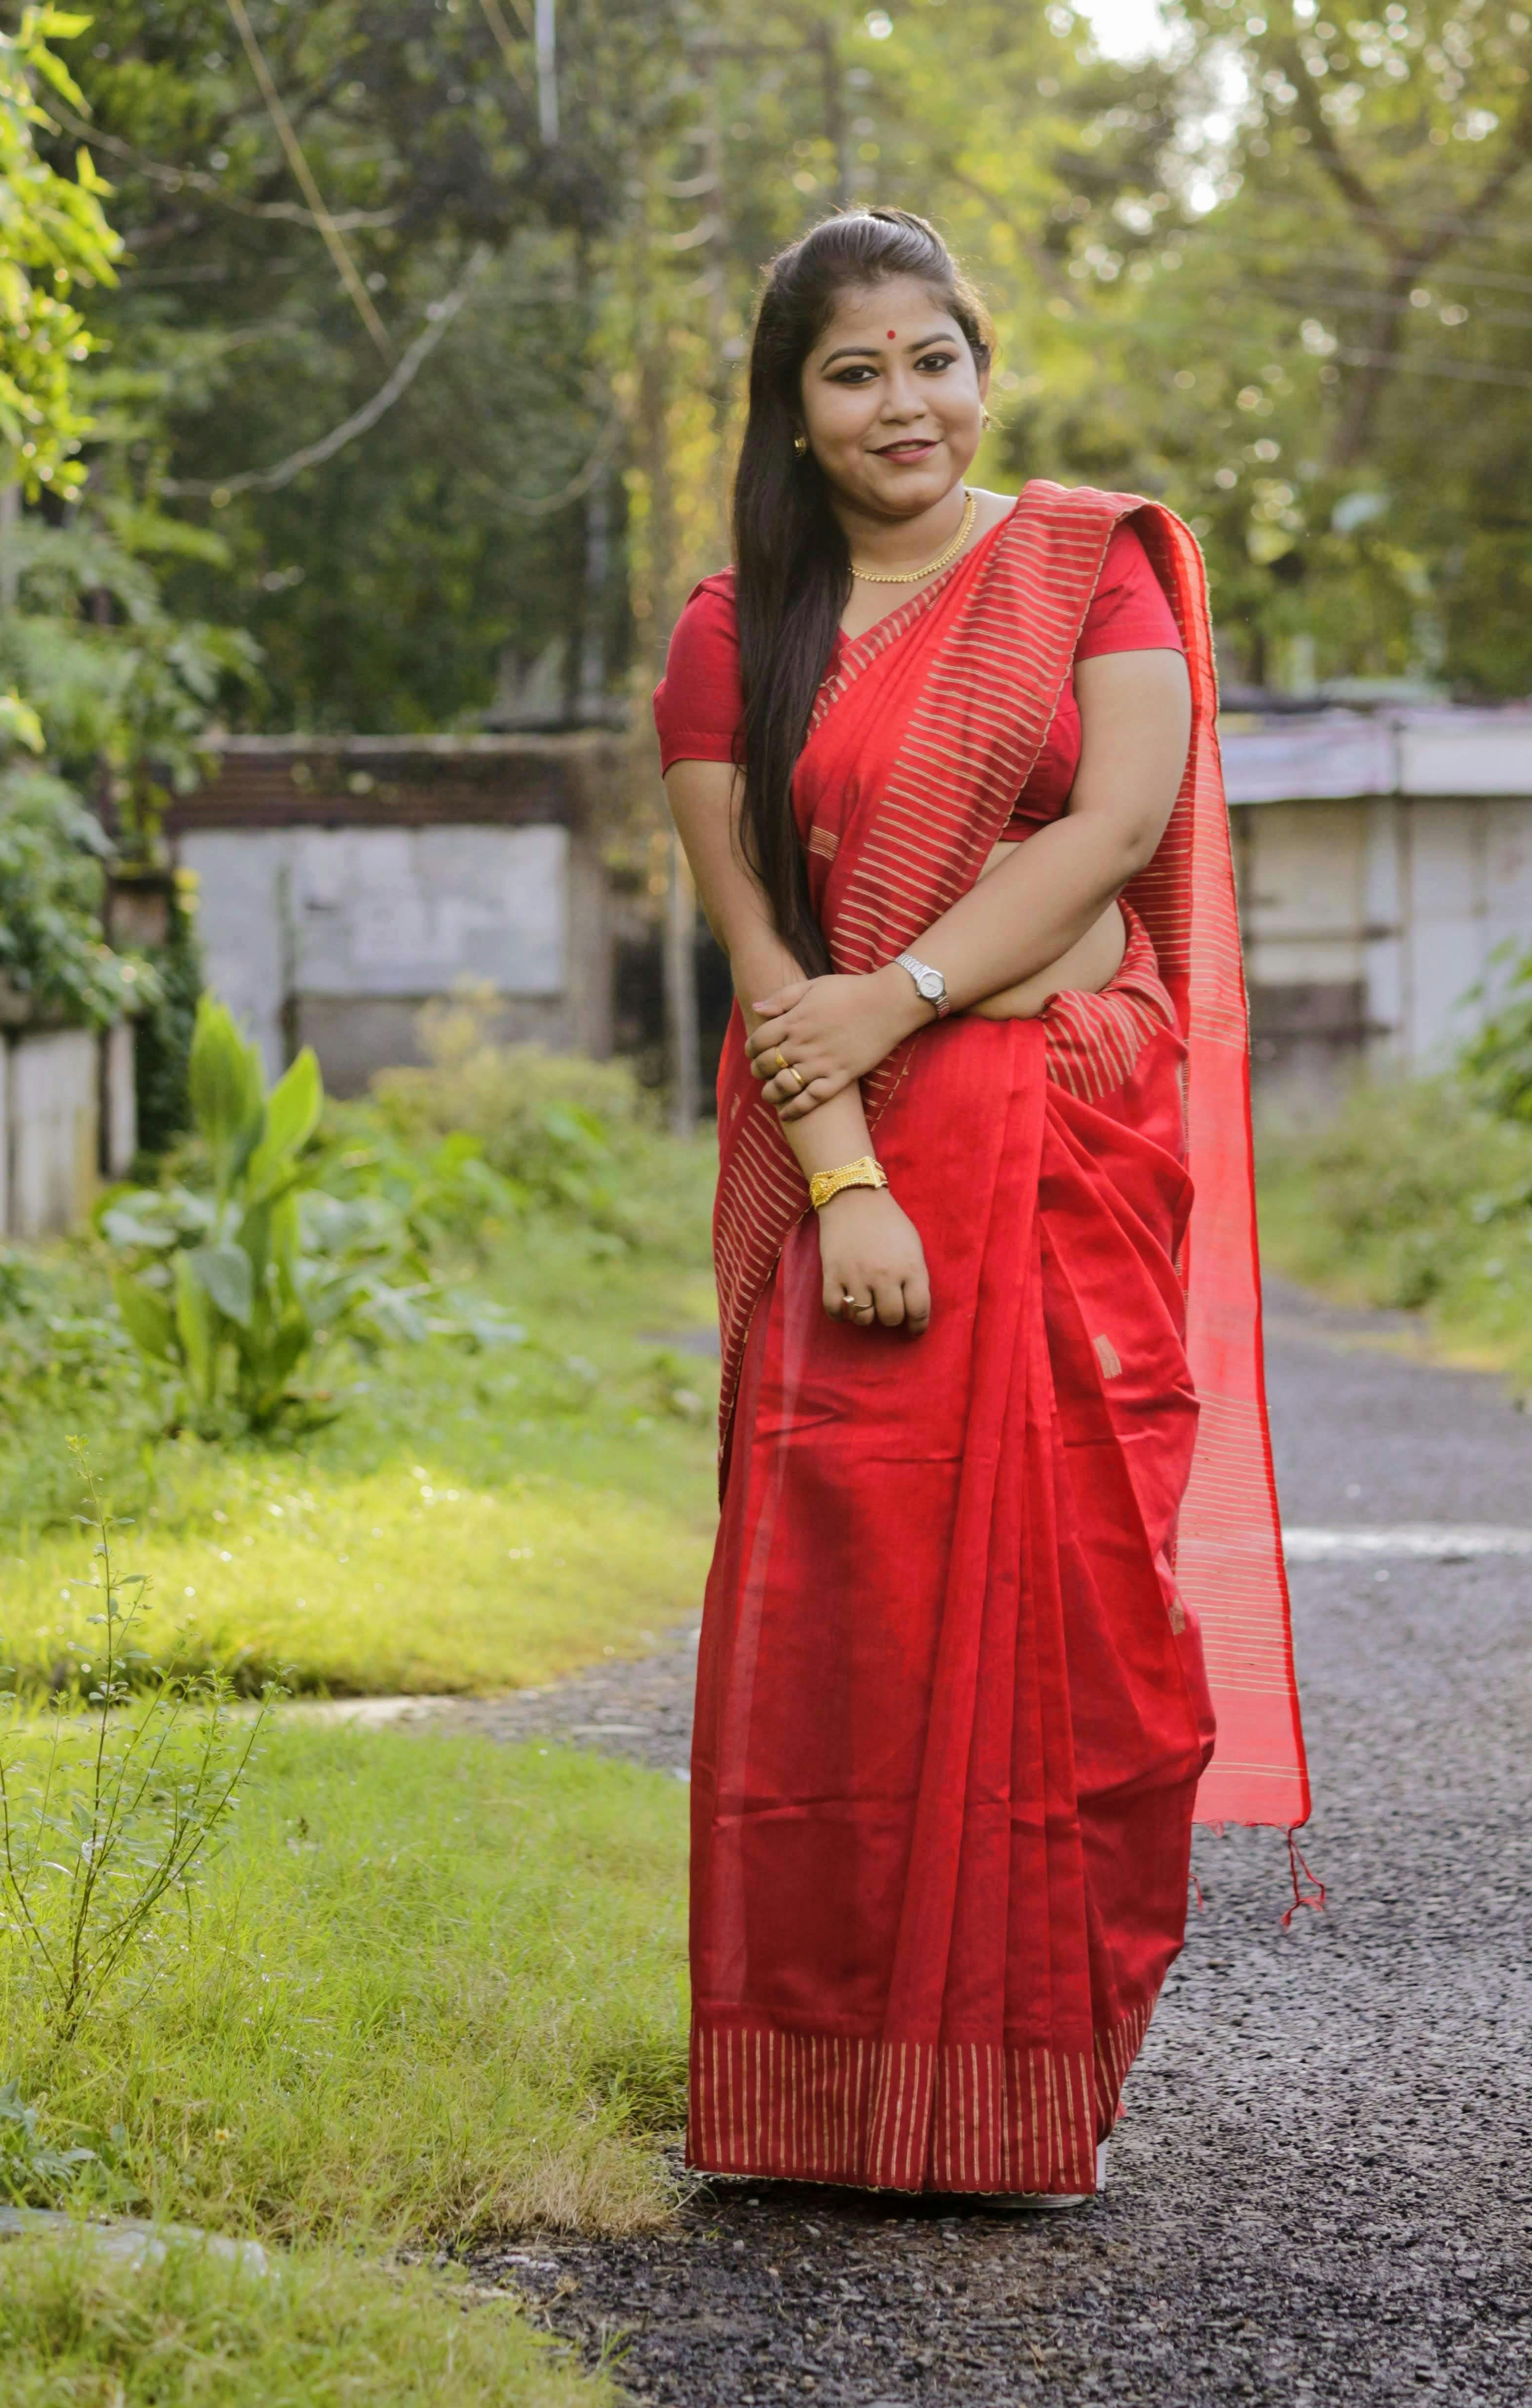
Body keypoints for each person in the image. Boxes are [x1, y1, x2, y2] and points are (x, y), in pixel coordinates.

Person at [654, 207, 1309, 2202]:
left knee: (1089, 1632)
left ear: (981, 368)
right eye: (851, 373)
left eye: (930, 360)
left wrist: (915, 988)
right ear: (791, 412)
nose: (900, 404)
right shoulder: (731, 632)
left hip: (1063, 1161)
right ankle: (818, 2103)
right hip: (849, 1177)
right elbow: (766, 955)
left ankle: (1019, 2084)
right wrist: (852, 1174)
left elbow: (1115, 837)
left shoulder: (1090, 566)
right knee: (839, 1638)